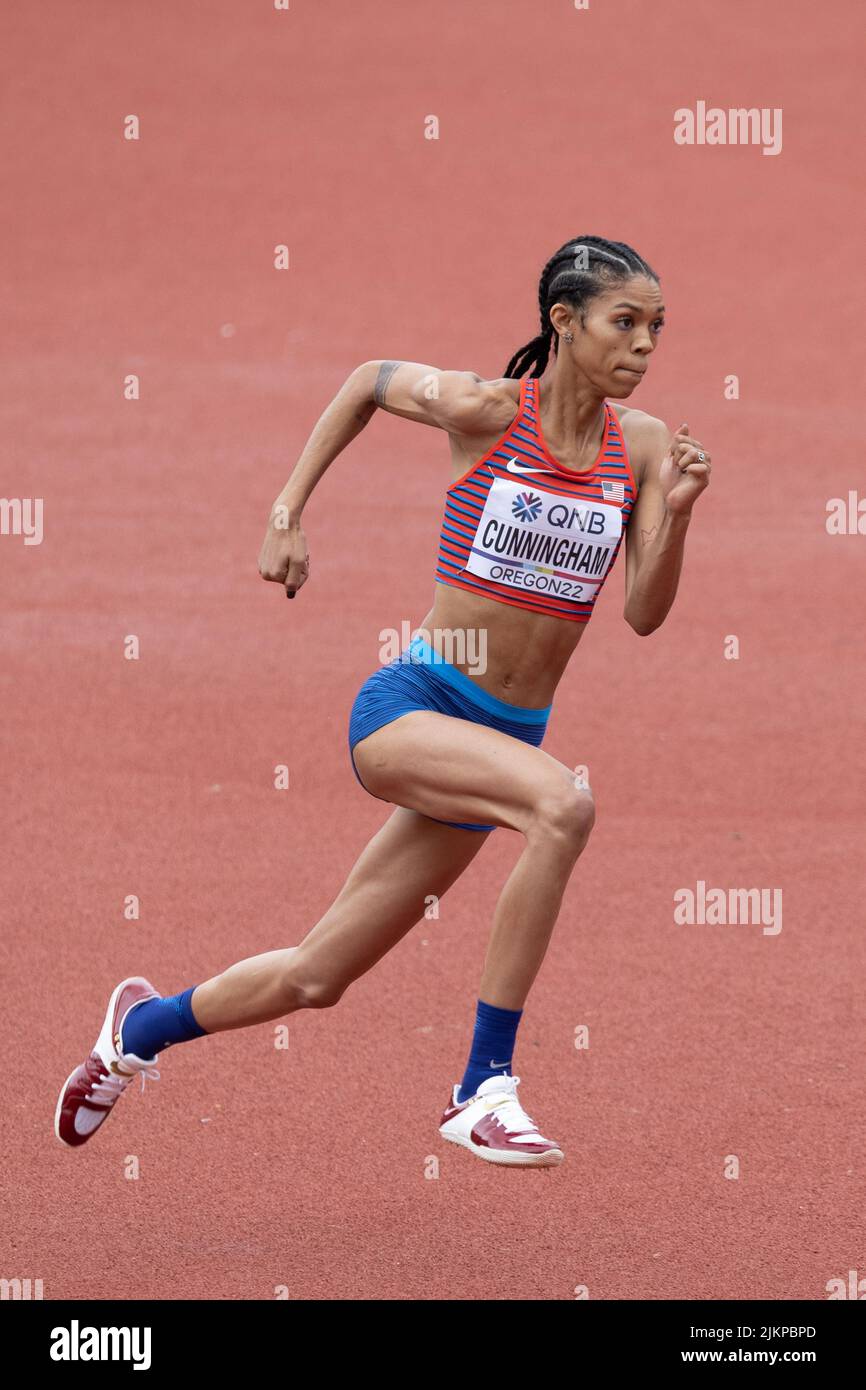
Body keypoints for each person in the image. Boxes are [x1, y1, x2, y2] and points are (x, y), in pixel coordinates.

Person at [55, 235, 711, 1166]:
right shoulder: (486, 411)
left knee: (316, 976)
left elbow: (643, 613)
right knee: (563, 807)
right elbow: (367, 380)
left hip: (503, 742)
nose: (644, 344)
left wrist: (676, 513)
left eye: (656, 327)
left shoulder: (640, 446)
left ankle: (137, 1031)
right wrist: (286, 514)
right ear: (564, 322)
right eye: (625, 322)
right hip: (413, 710)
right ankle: (483, 1085)